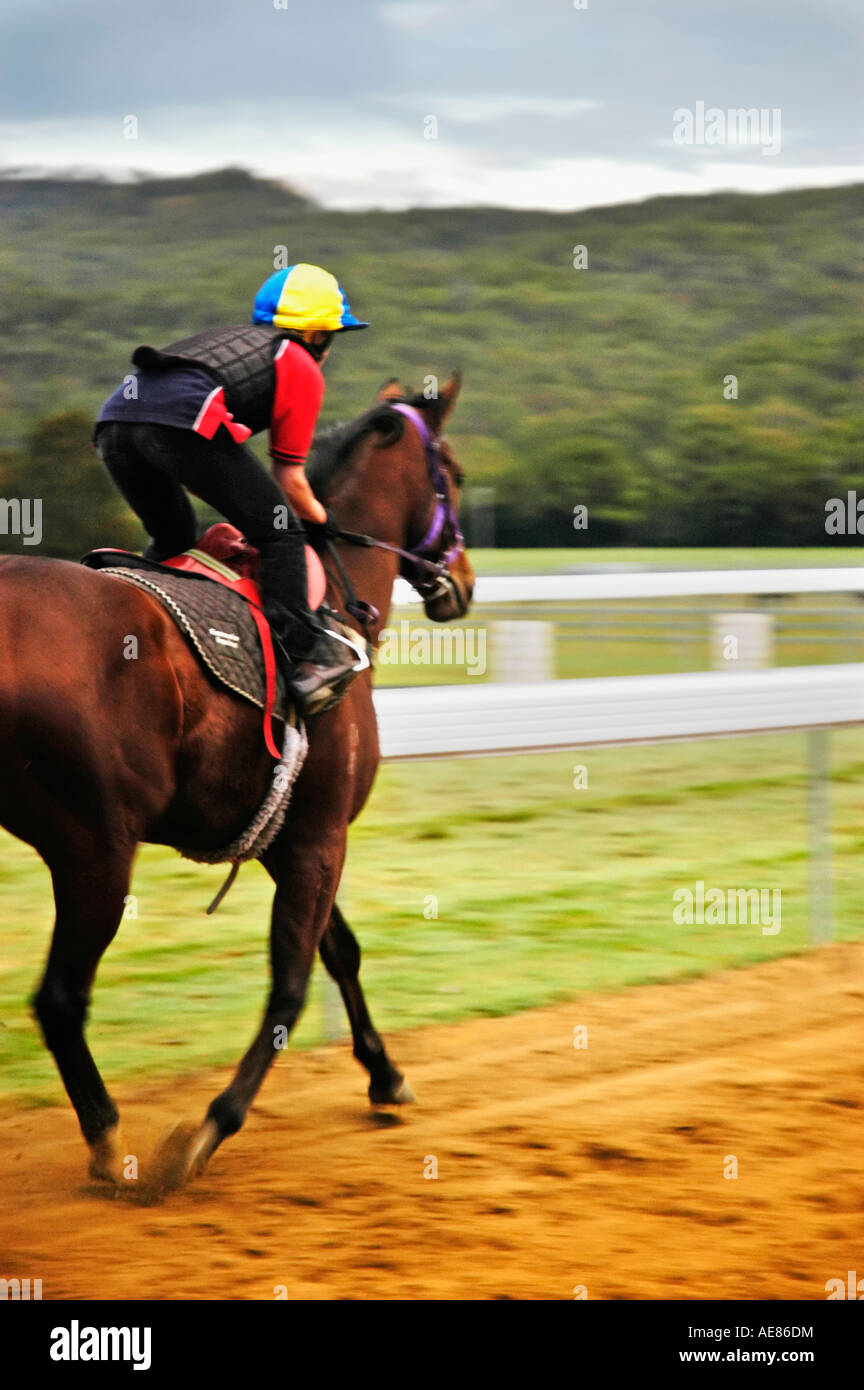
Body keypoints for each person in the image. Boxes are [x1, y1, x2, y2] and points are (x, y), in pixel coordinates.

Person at [93, 262, 369, 713]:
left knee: (174, 538)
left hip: (113, 424)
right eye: (333, 336)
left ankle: (139, 637)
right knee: (281, 532)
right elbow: (291, 480)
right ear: (318, 335)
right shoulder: (298, 362)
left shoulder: (235, 341)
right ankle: (301, 661)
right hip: (178, 426)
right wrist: (323, 520)